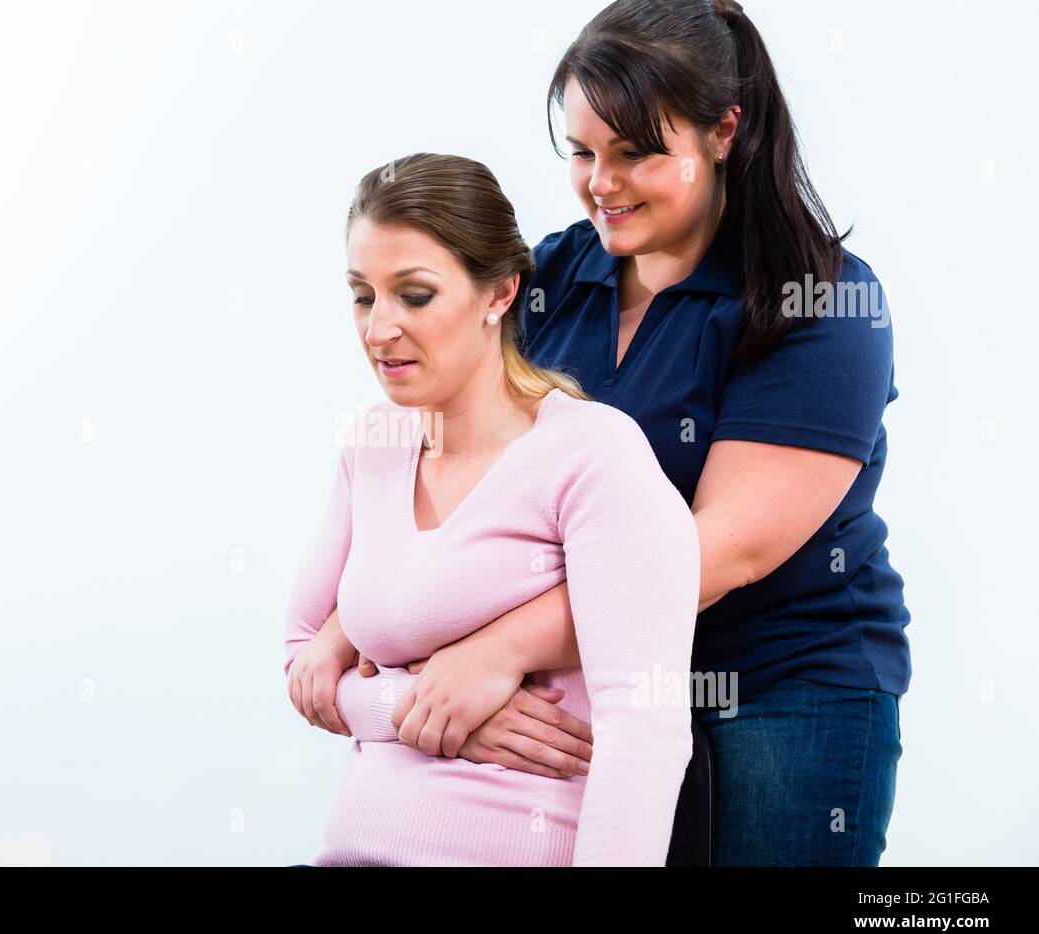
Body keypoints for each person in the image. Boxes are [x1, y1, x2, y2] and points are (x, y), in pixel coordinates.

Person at [311, 0, 910, 867]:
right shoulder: (549, 280)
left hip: (777, 689)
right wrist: (356, 629)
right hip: (592, 685)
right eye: (582, 152)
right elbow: (454, 471)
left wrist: (494, 652)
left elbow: (715, 553)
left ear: (724, 132)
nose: (602, 182)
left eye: (635, 153)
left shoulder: (818, 304)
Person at [283, 152, 701, 865]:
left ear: (500, 294)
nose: (378, 329)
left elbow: (644, 730)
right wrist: (424, 713)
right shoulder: (373, 446)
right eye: (362, 296)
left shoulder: (592, 453)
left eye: (415, 295)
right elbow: (303, 660)